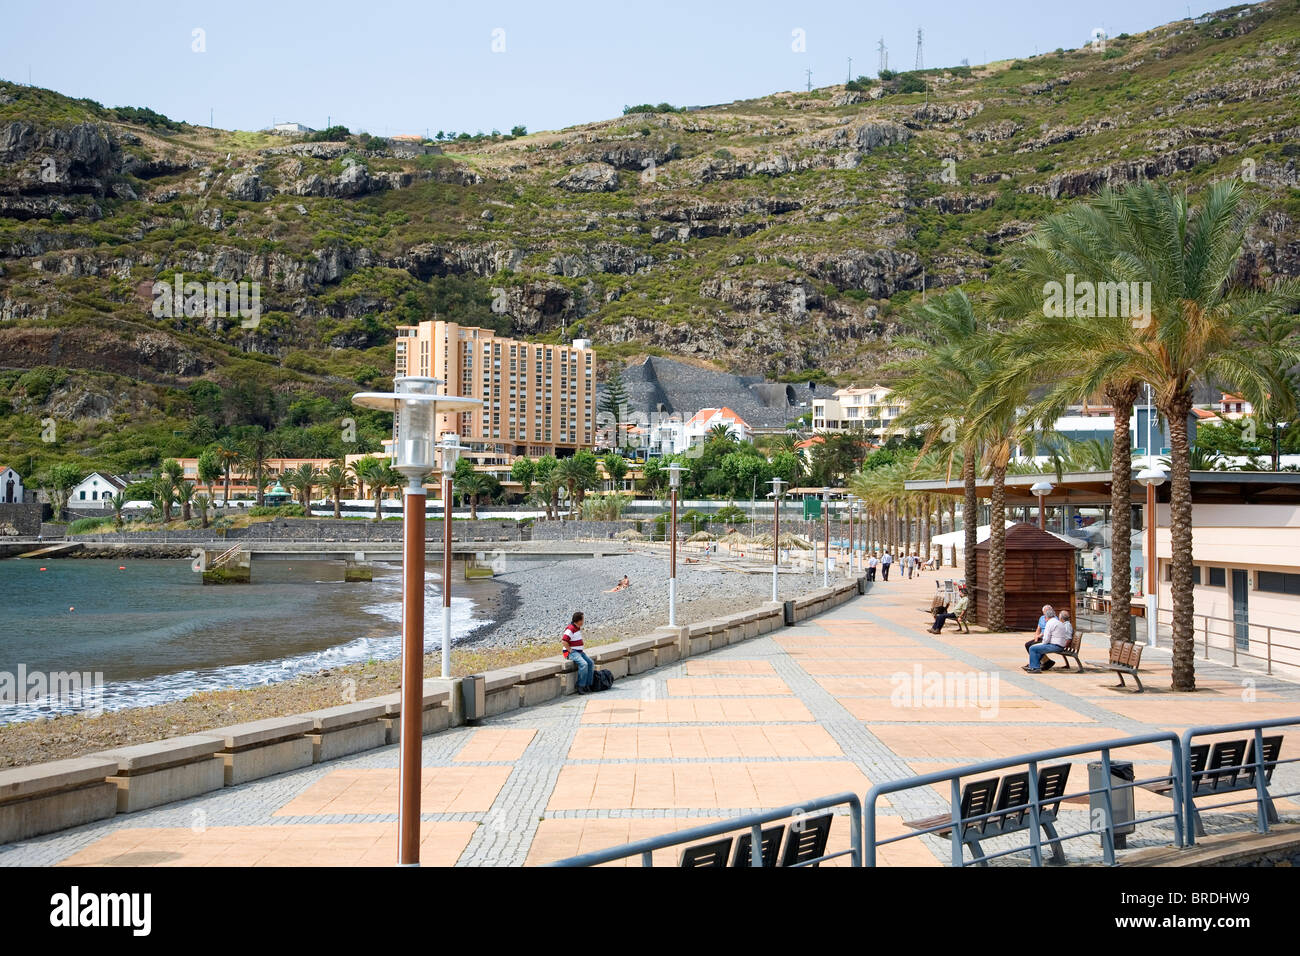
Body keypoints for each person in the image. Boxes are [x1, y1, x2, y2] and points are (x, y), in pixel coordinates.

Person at [562, 611, 594, 693]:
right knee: (584, 664)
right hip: (571, 653)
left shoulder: (577, 628)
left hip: (579, 652)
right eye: (583, 619)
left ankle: (588, 685)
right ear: (579, 621)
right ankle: (581, 686)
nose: (583, 621)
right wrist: (570, 650)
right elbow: (564, 641)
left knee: (590, 663)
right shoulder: (570, 629)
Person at [1025, 604, 1057, 669]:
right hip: (1041, 637)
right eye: (1045, 611)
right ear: (1043, 612)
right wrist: (1036, 636)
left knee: (1033, 646)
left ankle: (1036, 663)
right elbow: (1038, 629)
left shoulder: (1054, 619)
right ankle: (1046, 662)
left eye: (1048, 610)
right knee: (1027, 644)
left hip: (1048, 638)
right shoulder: (1042, 618)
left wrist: (1040, 635)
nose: (1047, 612)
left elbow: (1049, 631)